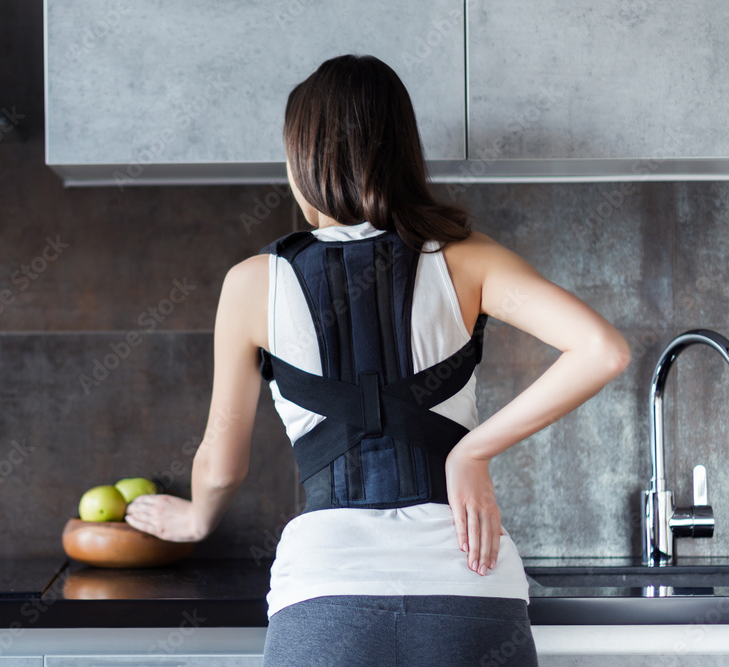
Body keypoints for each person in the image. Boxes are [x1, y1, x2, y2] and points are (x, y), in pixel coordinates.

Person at [125, 54, 630, 666]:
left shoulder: (252, 284)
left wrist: (196, 519)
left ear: (302, 160)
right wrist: (472, 451)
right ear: (402, 150)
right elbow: (603, 349)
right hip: (470, 592)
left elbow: (223, 464)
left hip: (325, 599)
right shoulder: (469, 260)